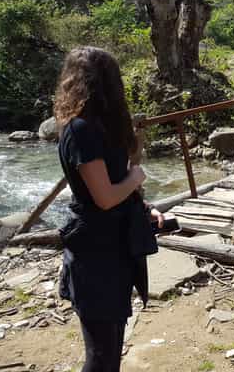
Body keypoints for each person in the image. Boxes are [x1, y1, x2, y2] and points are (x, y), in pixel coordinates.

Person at [53, 46, 164, 372]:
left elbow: (115, 186)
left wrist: (145, 207)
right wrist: (137, 176)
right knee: (101, 355)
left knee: (112, 346)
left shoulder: (99, 127)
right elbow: (103, 197)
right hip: (95, 253)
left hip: (112, 248)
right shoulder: (80, 130)